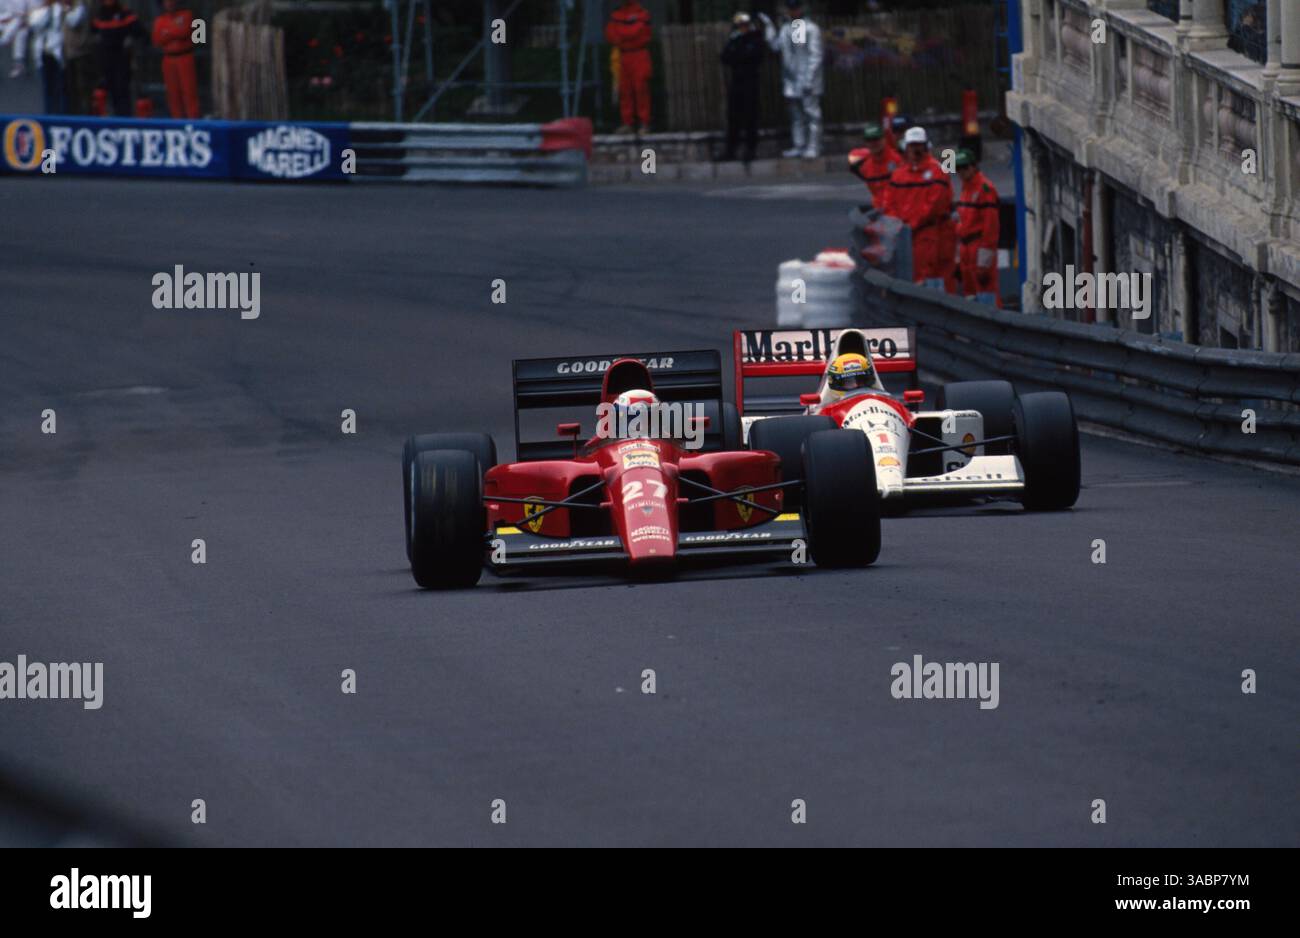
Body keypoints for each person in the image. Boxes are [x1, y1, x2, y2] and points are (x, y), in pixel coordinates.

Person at [880, 126, 952, 286]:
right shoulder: (899, 174)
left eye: (919, 145)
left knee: (926, 278)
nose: (915, 149)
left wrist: (910, 225)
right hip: (903, 235)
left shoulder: (937, 171)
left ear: (926, 146)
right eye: (912, 145)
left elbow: (935, 206)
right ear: (906, 146)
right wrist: (897, 226)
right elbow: (888, 202)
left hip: (927, 235)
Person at [759, 0, 823, 159]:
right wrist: (769, 27)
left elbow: (814, 56)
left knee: (811, 114)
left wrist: (809, 78)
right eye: (790, 8)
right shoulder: (788, 28)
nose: (792, 11)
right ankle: (799, 145)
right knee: (796, 115)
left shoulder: (809, 28)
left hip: (807, 79)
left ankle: (813, 146)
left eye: (795, 8)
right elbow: (776, 46)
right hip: (792, 81)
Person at [954, 148, 1001, 305]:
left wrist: (984, 262)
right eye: (958, 168)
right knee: (970, 294)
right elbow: (962, 221)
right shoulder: (966, 189)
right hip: (966, 248)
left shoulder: (985, 189)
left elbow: (991, 227)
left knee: (986, 293)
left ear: (974, 166)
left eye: (965, 167)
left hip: (978, 247)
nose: (961, 172)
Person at [718, 12, 763, 163]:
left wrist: (738, 55)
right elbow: (725, 57)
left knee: (751, 116)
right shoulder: (734, 38)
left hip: (750, 81)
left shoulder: (755, 38)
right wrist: (738, 54)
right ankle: (731, 149)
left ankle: (751, 149)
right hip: (736, 81)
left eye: (744, 25)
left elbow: (752, 56)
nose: (742, 28)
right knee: (733, 117)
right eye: (739, 26)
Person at [604, 0, 652, 135]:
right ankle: (627, 123)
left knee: (641, 88)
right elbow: (611, 34)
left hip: (639, 54)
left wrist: (622, 34)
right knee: (625, 90)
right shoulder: (617, 13)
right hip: (624, 56)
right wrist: (627, 34)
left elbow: (639, 31)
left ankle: (644, 123)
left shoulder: (642, 13)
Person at [28, 0, 83, 113]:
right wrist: (48, 9)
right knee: (48, 88)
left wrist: (65, 7)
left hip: (59, 53)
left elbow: (74, 21)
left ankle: (62, 116)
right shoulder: (40, 11)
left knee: (61, 88)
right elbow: (35, 24)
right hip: (44, 52)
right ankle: (49, 115)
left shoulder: (65, 9)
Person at [90, 0, 141, 116]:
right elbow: (93, 30)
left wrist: (129, 42)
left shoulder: (125, 13)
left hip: (122, 59)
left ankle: (125, 121)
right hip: (105, 60)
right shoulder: (99, 14)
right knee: (106, 93)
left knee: (122, 92)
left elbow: (139, 32)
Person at [151, 0, 196, 118]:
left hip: (185, 57)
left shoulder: (186, 15)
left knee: (189, 91)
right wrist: (175, 31)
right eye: (166, 1)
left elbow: (185, 31)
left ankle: (194, 121)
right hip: (168, 59)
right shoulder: (159, 20)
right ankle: (177, 122)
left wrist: (167, 33)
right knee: (173, 93)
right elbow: (157, 40)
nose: (169, 3)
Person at [847, 121, 901, 206]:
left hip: (898, 210)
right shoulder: (866, 167)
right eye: (869, 140)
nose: (873, 143)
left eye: (876, 139)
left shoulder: (897, 160)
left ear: (884, 139)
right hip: (879, 212)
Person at [1, 0, 34, 78]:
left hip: (21, 21)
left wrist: (24, 20)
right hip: (6, 21)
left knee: (21, 33)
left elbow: (24, 13)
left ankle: (19, 63)